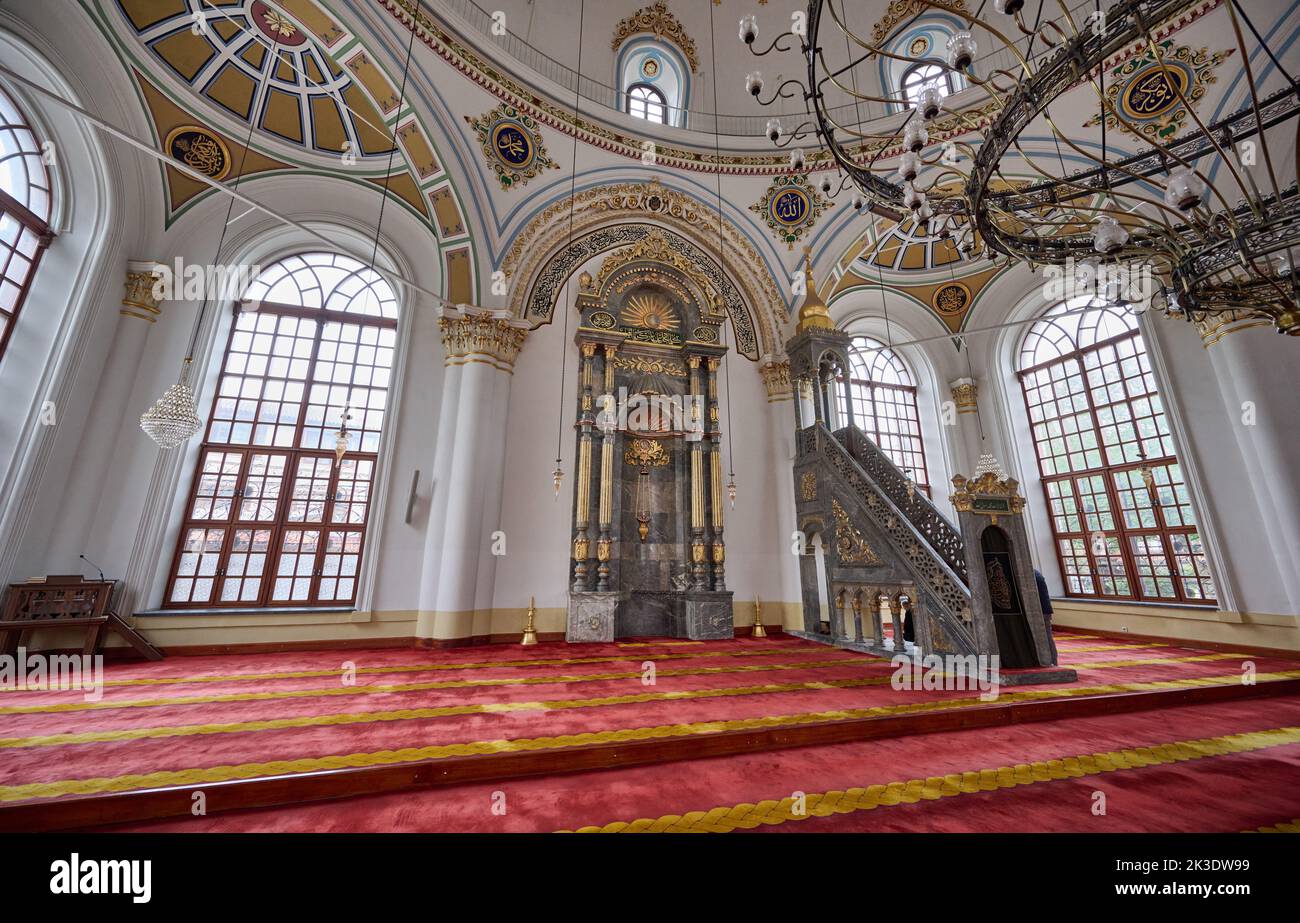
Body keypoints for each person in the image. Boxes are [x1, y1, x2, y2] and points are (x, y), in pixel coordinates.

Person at [1033, 568, 1059, 665]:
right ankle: (1052, 661)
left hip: (1041, 611)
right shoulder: (1036, 574)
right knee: (1047, 637)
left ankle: (1051, 661)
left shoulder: (1031, 575)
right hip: (1044, 610)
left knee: (1046, 637)